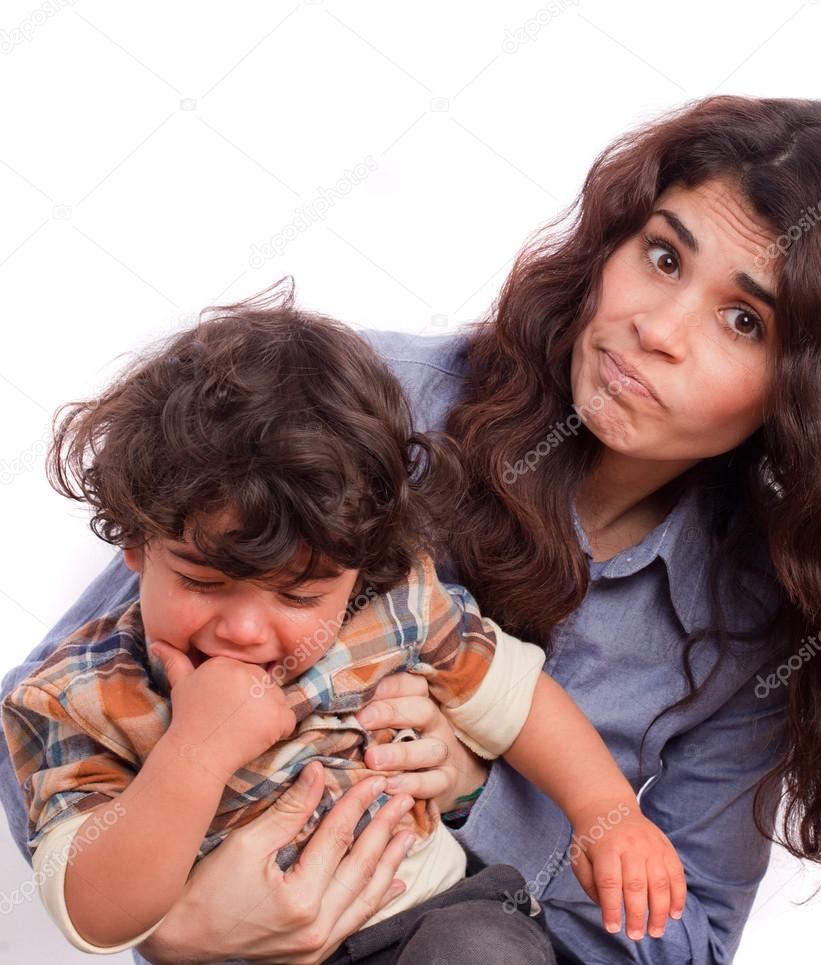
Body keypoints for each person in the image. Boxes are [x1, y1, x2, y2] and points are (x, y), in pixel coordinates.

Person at [2, 94, 821, 965]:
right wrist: (181, 922)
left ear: (815, 398)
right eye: (661, 256)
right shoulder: (364, 406)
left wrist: (487, 802)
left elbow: (688, 930)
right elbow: (43, 719)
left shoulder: (762, 615)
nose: (655, 328)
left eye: (743, 320)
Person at [1, 298, 686, 960]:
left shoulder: (395, 607)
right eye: (202, 580)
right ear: (135, 544)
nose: (242, 628)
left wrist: (609, 809)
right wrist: (193, 754)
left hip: (431, 922)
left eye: (299, 592)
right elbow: (94, 913)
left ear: (360, 570)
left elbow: (519, 700)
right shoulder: (74, 698)